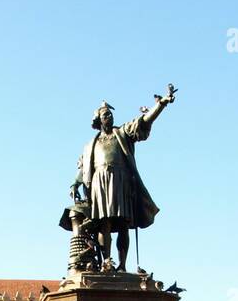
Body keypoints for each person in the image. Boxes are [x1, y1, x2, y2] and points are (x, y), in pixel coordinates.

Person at [72, 86, 175, 271]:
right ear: (98, 120)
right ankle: (107, 262)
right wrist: (75, 183)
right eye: (105, 115)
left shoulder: (122, 133)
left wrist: (160, 105)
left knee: (123, 224)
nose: (109, 117)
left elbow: (142, 122)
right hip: (99, 183)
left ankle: (122, 265)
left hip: (120, 180)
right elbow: (85, 168)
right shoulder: (90, 145)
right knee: (104, 223)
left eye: (110, 114)